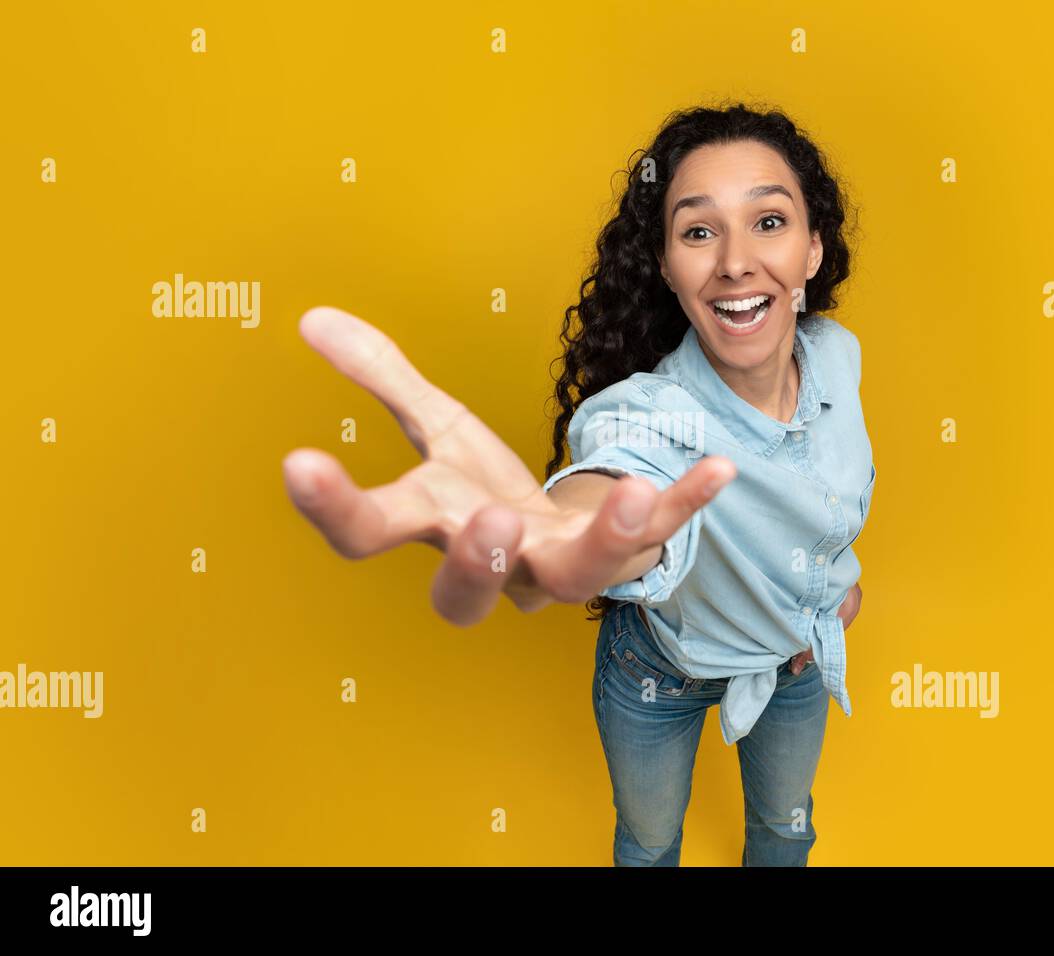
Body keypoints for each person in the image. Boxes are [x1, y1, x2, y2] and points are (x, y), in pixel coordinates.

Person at [283, 102, 877, 866]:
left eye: (768, 222)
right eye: (699, 230)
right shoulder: (654, 415)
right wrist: (548, 533)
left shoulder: (837, 355)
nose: (734, 260)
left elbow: (825, 496)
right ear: (667, 266)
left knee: (787, 829)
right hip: (658, 671)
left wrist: (833, 587)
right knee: (648, 842)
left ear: (813, 250)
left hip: (789, 664)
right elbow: (612, 482)